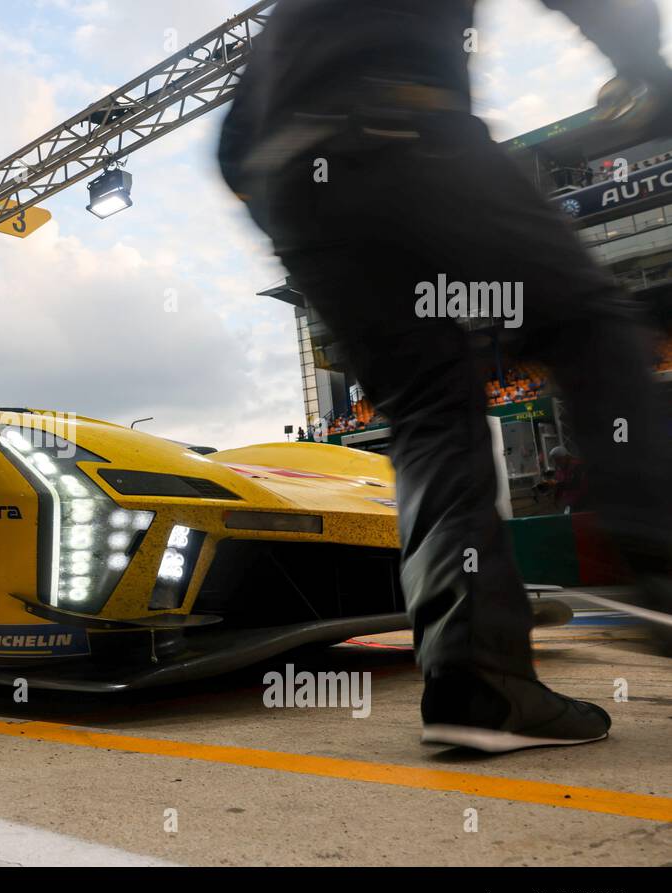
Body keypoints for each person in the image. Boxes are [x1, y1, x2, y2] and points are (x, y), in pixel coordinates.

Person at [219, 0, 672, 753]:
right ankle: (660, 566)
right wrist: (646, 69)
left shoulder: (282, 24)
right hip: (411, 133)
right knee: (589, 325)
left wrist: (295, 213)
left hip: (299, 197)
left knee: (430, 419)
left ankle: (477, 681)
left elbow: (231, 147)